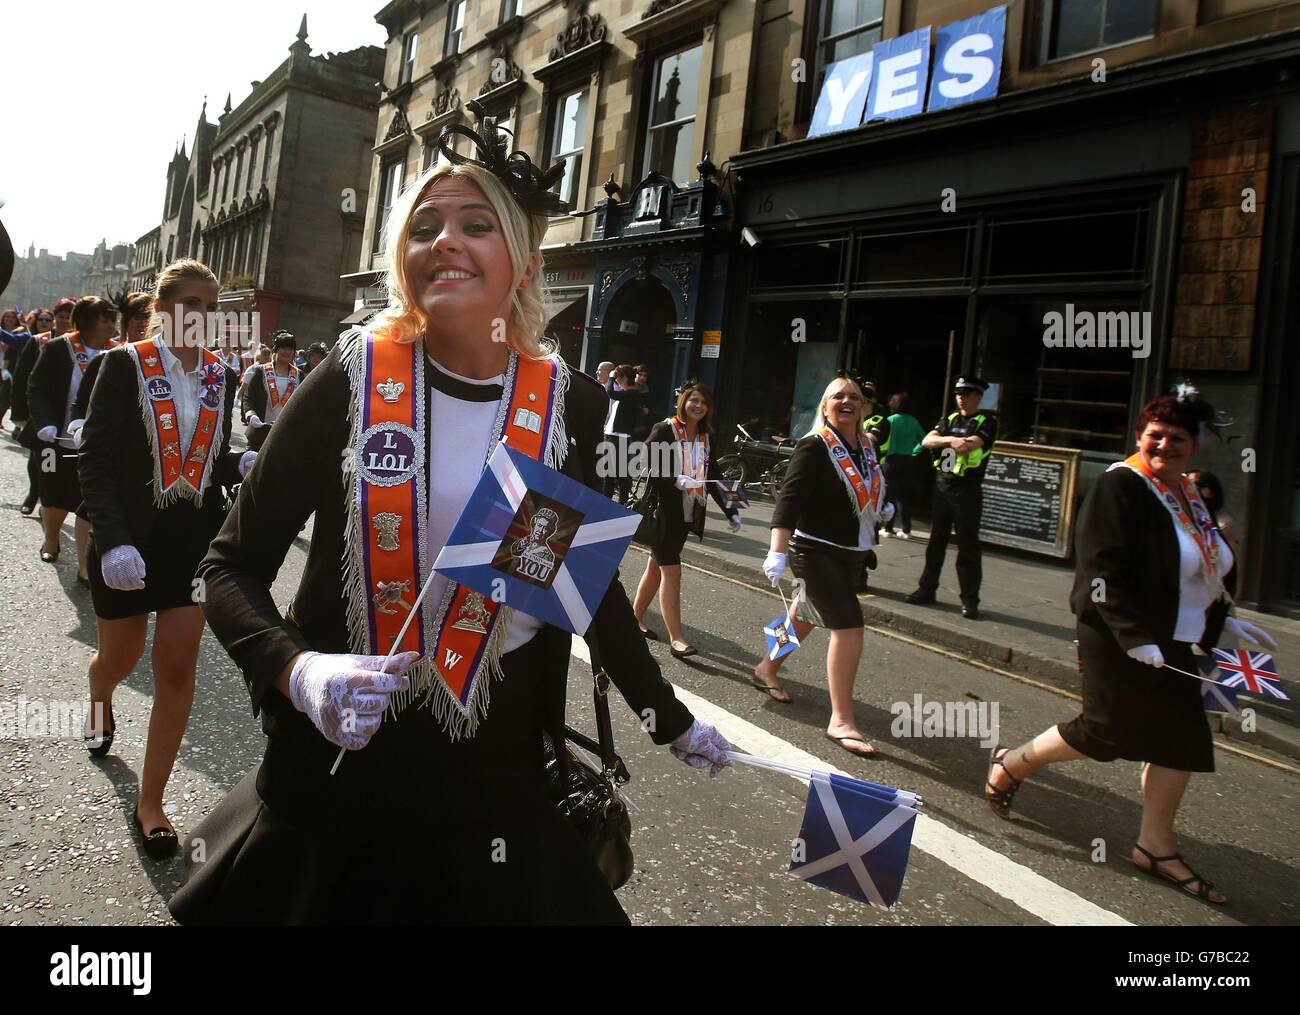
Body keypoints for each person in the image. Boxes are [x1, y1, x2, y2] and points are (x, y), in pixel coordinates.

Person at [168, 102, 731, 925]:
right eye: (425, 224)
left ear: (524, 264)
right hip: (339, 760)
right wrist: (300, 671)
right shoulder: (351, 376)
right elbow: (228, 565)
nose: (446, 240)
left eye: (476, 223)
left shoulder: (568, 402)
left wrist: (667, 717)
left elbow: (578, 580)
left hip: (497, 771)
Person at [983, 389, 1275, 906]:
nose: (1164, 445)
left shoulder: (1186, 492)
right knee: (1105, 731)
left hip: (1177, 640)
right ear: (1140, 436)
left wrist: (1223, 620)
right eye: (1155, 435)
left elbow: (1203, 567)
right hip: (1116, 633)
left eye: (1177, 438)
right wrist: (1135, 638)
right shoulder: (1122, 485)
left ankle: (1154, 847)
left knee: (1182, 740)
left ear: (1194, 447)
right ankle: (1013, 764)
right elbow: (1100, 572)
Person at [76, 260, 255, 857]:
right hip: (127, 537)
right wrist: (112, 537)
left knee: (176, 669)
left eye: (213, 308)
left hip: (189, 542)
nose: (204, 318)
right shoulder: (122, 364)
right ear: (163, 307)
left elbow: (206, 464)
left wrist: (243, 464)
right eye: (193, 305)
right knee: (120, 659)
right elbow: (95, 460)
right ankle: (99, 691)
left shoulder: (220, 377)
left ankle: (150, 801)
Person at [758, 376, 892, 750]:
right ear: (825, 406)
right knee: (849, 627)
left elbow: (869, 487)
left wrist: (884, 508)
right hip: (813, 551)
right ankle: (841, 719)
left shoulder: (867, 447)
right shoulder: (814, 446)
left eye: (854, 397)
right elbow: (789, 501)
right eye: (838, 396)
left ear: (863, 407)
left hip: (852, 553)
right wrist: (777, 551)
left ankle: (766, 667)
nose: (847, 401)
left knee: (803, 616)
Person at [632, 381, 741, 658]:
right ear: (683, 402)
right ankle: (677, 639)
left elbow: (713, 472)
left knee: (656, 568)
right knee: (672, 571)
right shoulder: (665, 429)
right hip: (664, 512)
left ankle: (634, 619)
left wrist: (732, 509)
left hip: (688, 512)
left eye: (703, 403)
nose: (698, 406)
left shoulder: (707, 436)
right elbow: (642, 463)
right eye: (693, 400)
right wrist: (675, 479)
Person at [27, 296, 119, 579]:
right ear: (85, 321)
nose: (110, 326)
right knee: (53, 493)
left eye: (112, 320)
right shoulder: (58, 348)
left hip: (95, 443)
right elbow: (37, 387)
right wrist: (44, 423)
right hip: (55, 438)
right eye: (103, 319)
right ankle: (51, 539)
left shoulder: (118, 354)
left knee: (86, 500)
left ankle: (84, 565)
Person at [906, 376, 998, 620]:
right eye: (958, 393)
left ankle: (970, 600)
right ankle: (926, 589)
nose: (961, 397)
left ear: (978, 396)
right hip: (943, 484)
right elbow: (927, 440)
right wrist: (951, 440)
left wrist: (953, 441)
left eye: (967, 393)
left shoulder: (986, 421)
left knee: (968, 545)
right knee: (936, 541)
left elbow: (971, 445)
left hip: (967, 488)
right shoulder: (950, 419)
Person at [11, 303, 72, 514]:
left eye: (69, 316)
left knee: (58, 463)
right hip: (39, 409)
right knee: (40, 456)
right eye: (60, 316)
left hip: (67, 412)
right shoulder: (40, 341)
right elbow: (22, 378)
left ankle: (49, 500)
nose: (64, 320)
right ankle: (34, 493)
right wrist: (19, 415)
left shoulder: (83, 345)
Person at [241, 331, 298, 451]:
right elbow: (248, 397)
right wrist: (251, 414)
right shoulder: (261, 371)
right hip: (260, 431)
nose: (287, 351)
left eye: (290, 348)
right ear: (275, 350)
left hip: (285, 434)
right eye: (283, 348)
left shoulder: (299, 375)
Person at [880, 392, 926, 540]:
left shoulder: (890, 420)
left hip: (890, 460)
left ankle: (888, 528)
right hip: (907, 460)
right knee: (903, 496)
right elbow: (923, 441)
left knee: (889, 495)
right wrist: (914, 452)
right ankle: (906, 529)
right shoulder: (914, 421)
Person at [603, 363, 645, 503]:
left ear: (625, 378)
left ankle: (622, 503)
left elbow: (610, 392)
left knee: (620, 474)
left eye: (618, 378)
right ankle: (606, 502)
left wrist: (609, 377)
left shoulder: (632, 393)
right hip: (612, 436)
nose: (616, 380)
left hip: (619, 438)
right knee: (609, 473)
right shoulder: (628, 394)